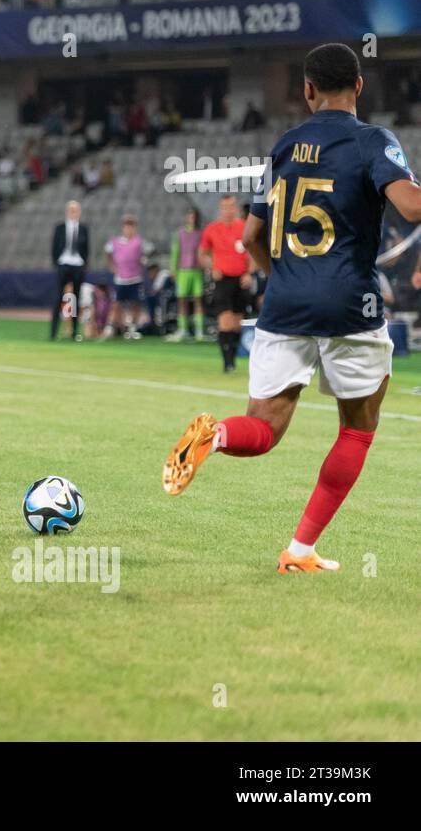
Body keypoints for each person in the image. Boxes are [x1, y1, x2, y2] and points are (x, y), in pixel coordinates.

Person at [164, 42, 421, 573]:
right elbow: (411, 206)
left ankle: (216, 436)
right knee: (357, 427)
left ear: (306, 91)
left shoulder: (284, 147)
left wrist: (282, 279)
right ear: (360, 86)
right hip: (350, 301)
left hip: (284, 302)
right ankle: (299, 547)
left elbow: (253, 235)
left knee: (264, 429)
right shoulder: (374, 140)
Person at [198, 194, 254, 371]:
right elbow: (202, 254)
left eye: (231, 207)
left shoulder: (244, 227)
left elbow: (253, 253)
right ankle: (227, 363)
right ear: (221, 209)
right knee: (225, 319)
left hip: (240, 280)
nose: (228, 210)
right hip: (222, 280)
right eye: (225, 207)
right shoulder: (212, 229)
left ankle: (233, 359)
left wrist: (249, 273)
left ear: (235, 208)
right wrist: (212, 267)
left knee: (237, 322)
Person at [103, 214, 152, 339]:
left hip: (135, 278)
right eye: (127, 226)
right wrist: (112, 266)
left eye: (131, 226)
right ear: (123, 227)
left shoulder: (139, 241)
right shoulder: (115, 241)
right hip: (121, 278)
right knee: (117, 303)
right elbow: (108, 253)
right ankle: (111, 327)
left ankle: (132, 328)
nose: (129, 229)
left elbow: (148, 252)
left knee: (135, 304)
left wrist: (144, 260)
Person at [50, 199, 88, 340]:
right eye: (71, 210)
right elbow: (54, 247)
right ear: (67, 211)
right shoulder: (60, 227)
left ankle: (73, 333)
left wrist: (83, 264)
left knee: (76, 299)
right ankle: (53, 332)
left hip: (78, 265)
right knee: (58, 298)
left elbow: (86, 249)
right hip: (63, 264)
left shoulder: (83, 228)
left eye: (76, 210)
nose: (73, 213)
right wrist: (57, 263)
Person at [167, 207, 206, 341]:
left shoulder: (200, 233)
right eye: (189, 216)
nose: (191, 219)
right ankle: (183, 329)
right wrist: (173, 269)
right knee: (181, 300)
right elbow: (175, 251)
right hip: (183, 271)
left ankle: (199, 330)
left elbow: (204, 251)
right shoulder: (180, 233)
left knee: (198, 299)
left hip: (197, 271)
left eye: (194, 216)